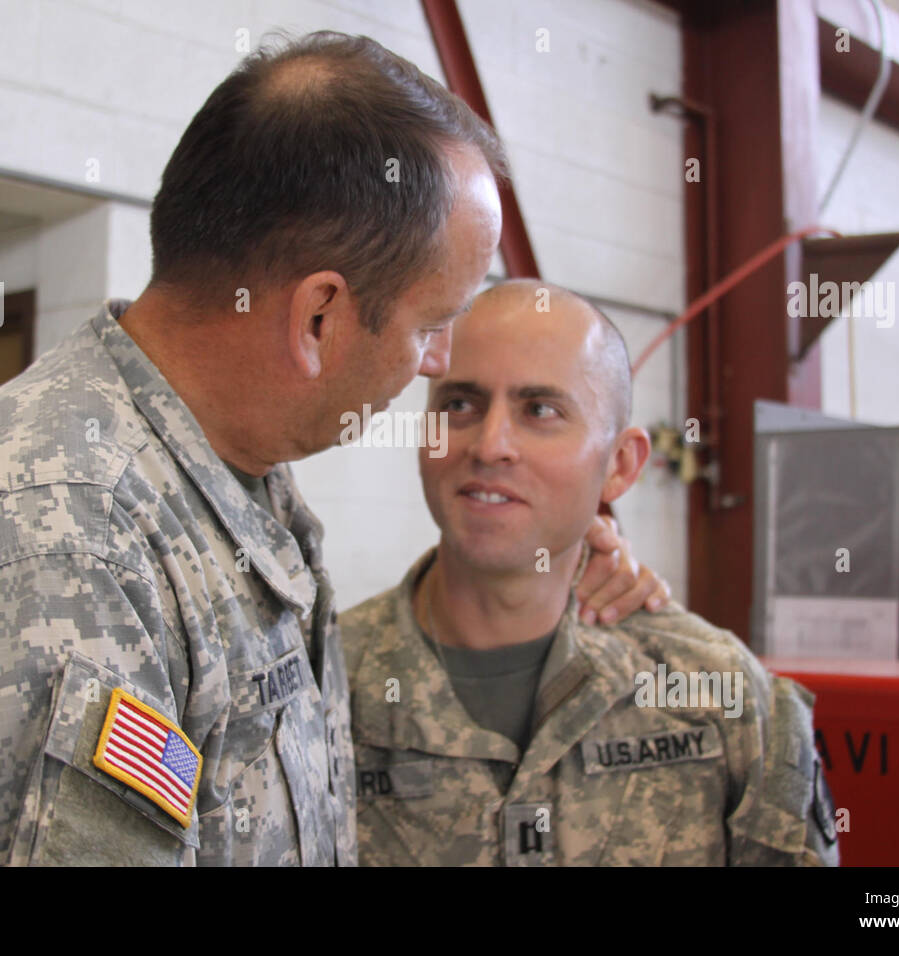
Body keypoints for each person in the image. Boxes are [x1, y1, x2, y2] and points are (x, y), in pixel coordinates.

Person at [0, 33, 662, 867]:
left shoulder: (227, 483)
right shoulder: (58, 560)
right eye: (433, 324)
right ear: (318, 316)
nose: (437, 359)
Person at [341, 279, 840, 866]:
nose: (491, 444)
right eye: (459, 405)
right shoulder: (322, 686)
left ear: (620, 465)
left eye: (541, 411)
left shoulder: (721, 696)